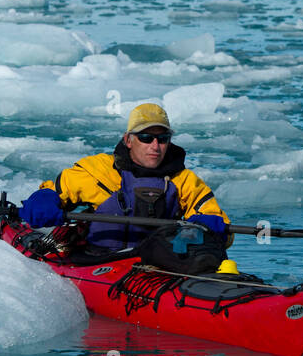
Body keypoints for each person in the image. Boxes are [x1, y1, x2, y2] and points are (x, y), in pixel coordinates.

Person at [17, 102, 231, 264]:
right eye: (146, 137)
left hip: (157, 264)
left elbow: (216, 218)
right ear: (128, 140)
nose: (155, 146)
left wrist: (210, 226)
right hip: (98, 260)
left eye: (163, 138)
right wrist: (44, 200)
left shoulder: (184, 180)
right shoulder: (97, 170)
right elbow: (54, 191)